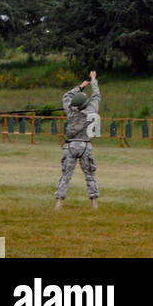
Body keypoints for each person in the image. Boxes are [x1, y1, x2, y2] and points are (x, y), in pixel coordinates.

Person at [54, 70, 100, 211]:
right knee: (90, 175)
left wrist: (80, 86)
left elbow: (67, 96)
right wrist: (93, 80)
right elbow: (97, 95)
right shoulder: (92, 109)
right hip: (85, 145)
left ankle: (59, 203)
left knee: (66, 175)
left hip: (71, 145)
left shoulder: (70, 110)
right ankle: (94, 204)